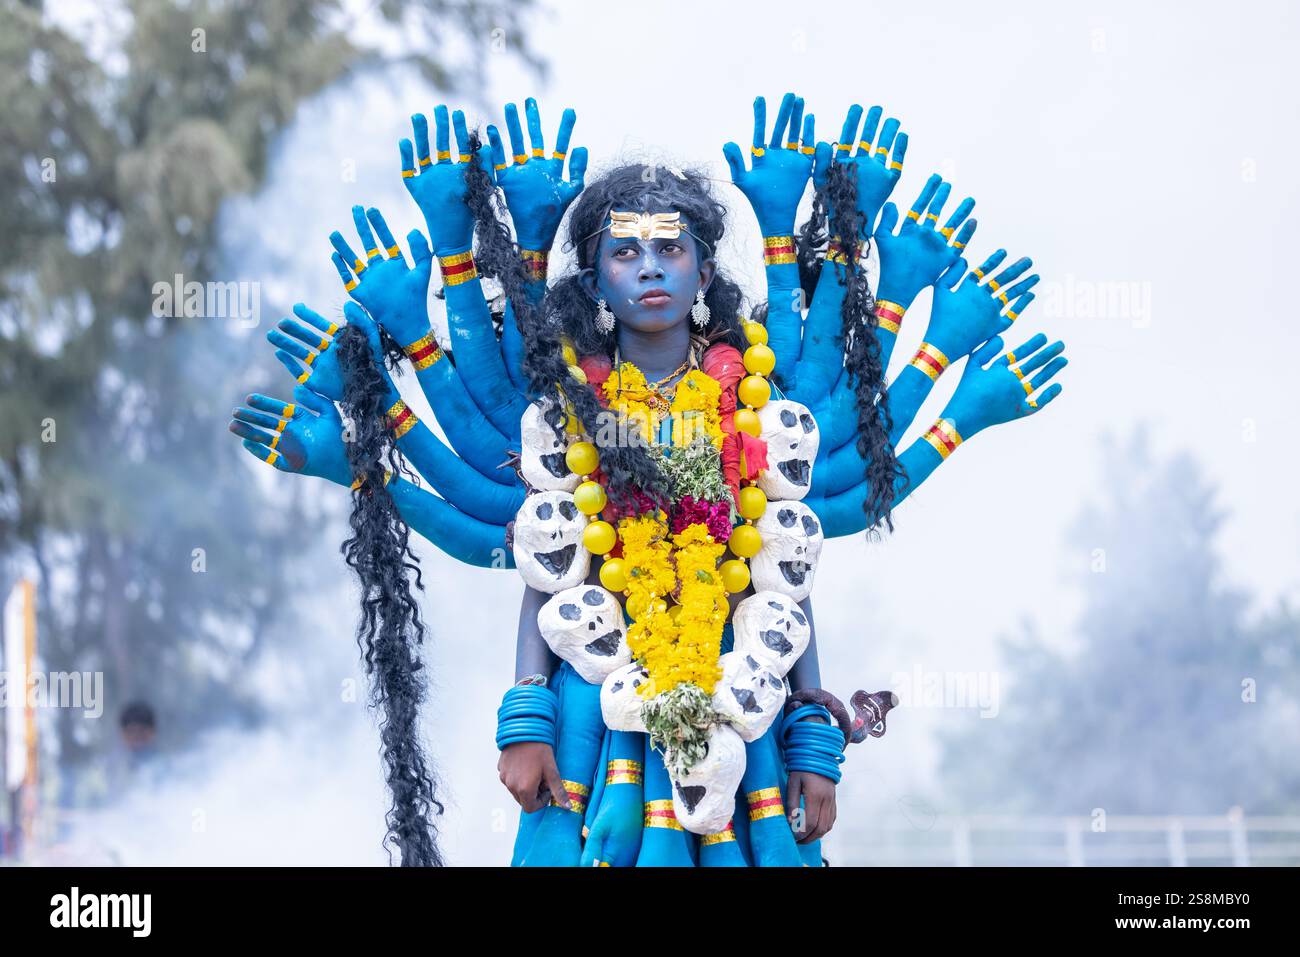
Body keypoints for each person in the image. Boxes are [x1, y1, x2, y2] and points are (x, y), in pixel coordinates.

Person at [228, 94, 1067, 865]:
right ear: (594, 282)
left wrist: (815, 734)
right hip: (596, 713)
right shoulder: (561, 407)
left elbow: (789, 579)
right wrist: (529, 718)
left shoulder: (763, 405)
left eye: (672, 249)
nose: (652, 267)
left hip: (749, 712)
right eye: (625, 252)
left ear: (706, 273)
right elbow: (534, 566)